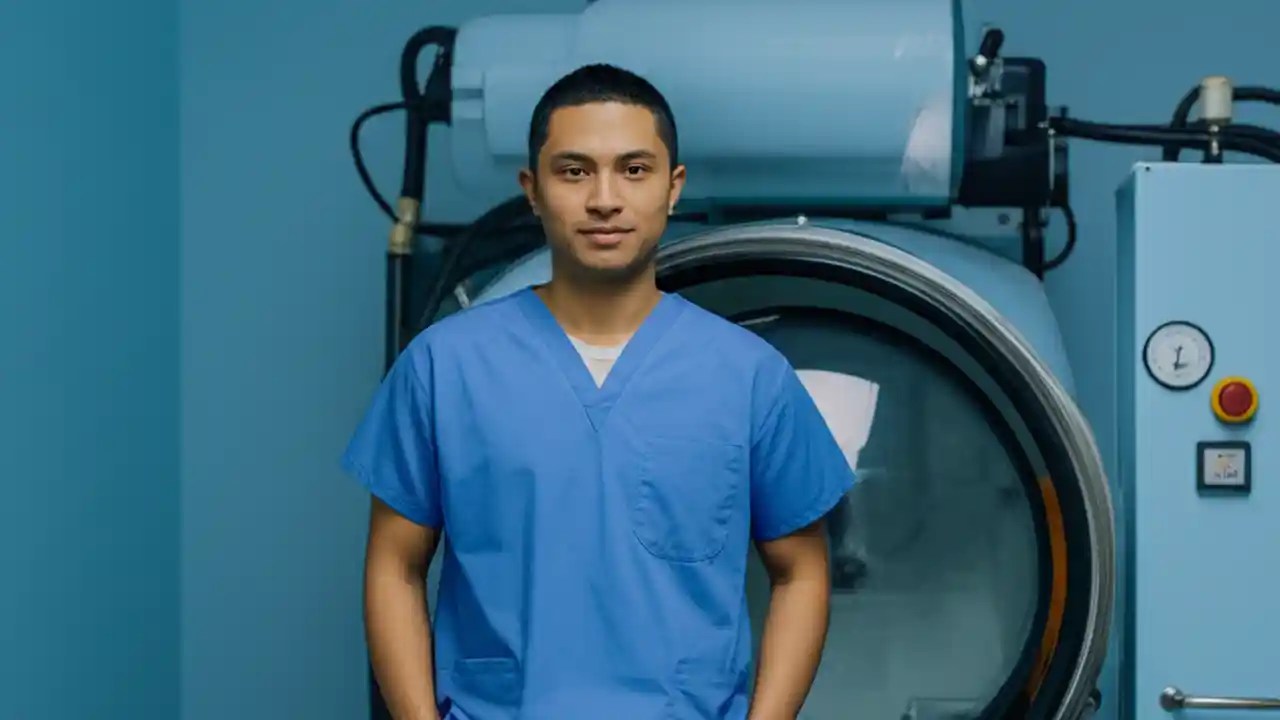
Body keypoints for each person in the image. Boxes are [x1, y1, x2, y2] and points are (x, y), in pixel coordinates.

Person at [342, 62, 857, 720]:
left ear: (673, 188)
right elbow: (393, 566)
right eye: (574, 171)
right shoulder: (444, 366)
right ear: (532, 190)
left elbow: (802, 570)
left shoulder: (748, 375)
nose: (604, 199)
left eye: (634, 170)